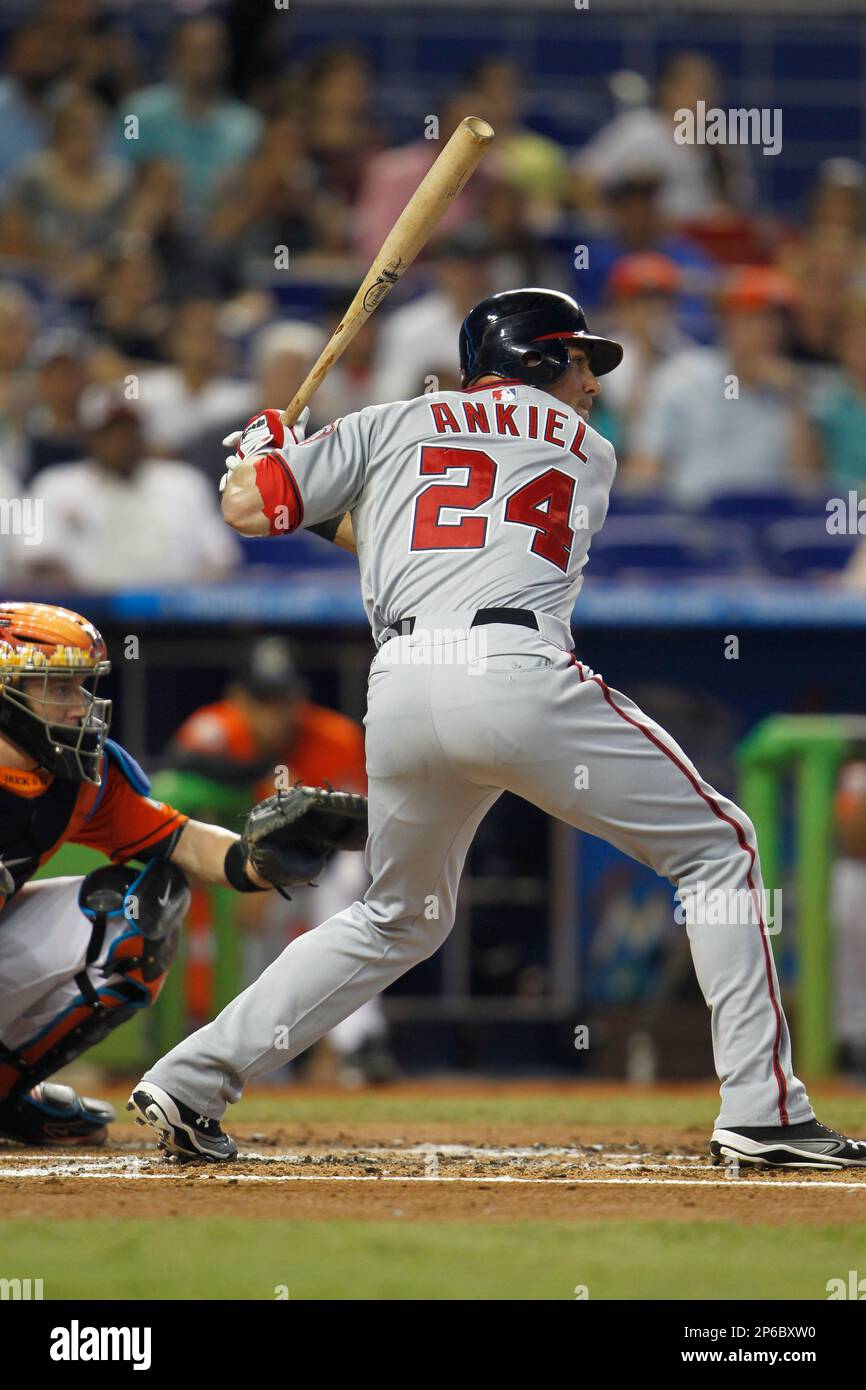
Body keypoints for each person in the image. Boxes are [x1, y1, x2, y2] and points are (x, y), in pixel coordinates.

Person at [130, 286, 866, 1170]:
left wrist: (267, 454)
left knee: (397, 914)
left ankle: (190, 1078)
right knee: (720, 848)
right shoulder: (588, 450)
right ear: (539, 358)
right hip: (516, 674)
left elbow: (261, 512)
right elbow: (438, 527)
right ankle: (763, 1108)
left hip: (398, 689)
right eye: (582, 358)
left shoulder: (391, 421)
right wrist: (288, 471)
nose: (592, 382)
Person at [0, 602, 365, 1147]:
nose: (79, 706)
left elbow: (179, 840)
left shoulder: (77, 777)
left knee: (135, 910)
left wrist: (253, 860)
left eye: (81, 686)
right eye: (57, 688)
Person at [162, 636, 393, 1085]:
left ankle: (357, 1045)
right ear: (238, 698)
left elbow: (361, 832)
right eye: (263, 700)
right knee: (256, 952)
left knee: (350, 893)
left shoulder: (334, 737)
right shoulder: (215, 732)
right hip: (241, 881)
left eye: (283, 699)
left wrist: (279, 868)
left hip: (319, 873)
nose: (276, 713)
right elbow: (173, 782)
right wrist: (256, 866)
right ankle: (257, 1068)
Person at [624, 266, 821, 504]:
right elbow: (646, 466)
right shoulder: (682, 376)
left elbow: (806, 488)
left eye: (777, 322)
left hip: (765, 523)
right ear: (728, 323)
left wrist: (793, 400)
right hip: (692, 523)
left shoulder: (792, 391)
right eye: (755, 319)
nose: (769, 332)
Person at [22, 384, 240, 588]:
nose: (121, 441)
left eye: (128, 431)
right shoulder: (55, 485)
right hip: (87, 614)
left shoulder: (184, 482)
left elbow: (220, 559)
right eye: (111, 432)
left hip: (176, 617)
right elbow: (37, 560)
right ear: (90, 437)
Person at [116, 16, 261, 229]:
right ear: (174, 57)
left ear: (226, 57)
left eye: (211, 50)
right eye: (194, 51)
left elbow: (253, 192)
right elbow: (117, 173)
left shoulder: (248, 125)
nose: (204, 60)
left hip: (224, 231)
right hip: (152, 229)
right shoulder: (136, 114)